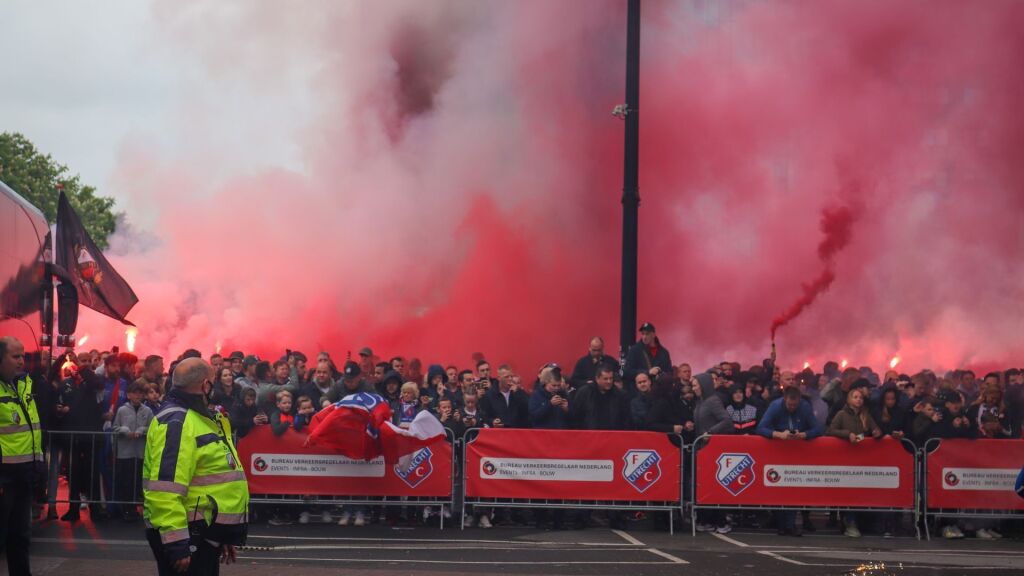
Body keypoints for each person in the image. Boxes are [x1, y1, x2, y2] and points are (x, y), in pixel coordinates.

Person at [143, 357, 248, 575]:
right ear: (205, 385)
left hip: (203, 534)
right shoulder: (178, 422)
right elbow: (166, 489)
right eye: (213, 381)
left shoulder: (198, 417)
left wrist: (223, 535)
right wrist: (177, 542)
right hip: (188, 536)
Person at [0, 337, 44, 576]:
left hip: (24, 474)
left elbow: (32, 428)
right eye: (15, 356)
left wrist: (39, 464)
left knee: (20, 537)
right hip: (4, 477)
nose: (21, 361)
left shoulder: (25, 384)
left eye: (23, 356)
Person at [756, 386, 824, 536]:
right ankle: (781, 524)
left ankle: (790, 524)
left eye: (795, 405)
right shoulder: (775, 406)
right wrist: (778, 434)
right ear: (784, 400)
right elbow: (761, 428)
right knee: (779, 488)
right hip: (779, 452)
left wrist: (805, 434)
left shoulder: (805, 407)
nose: (792, 407)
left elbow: (818, 429)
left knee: (794, 488)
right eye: (789, 405)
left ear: (799, 400)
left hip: (798, 454)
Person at [827, 387, 881, 538]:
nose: (859, 399)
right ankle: (849, 521)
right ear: (849, 400)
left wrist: (877, 433)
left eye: (861, 397)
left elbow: (874, 430)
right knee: (849, 492)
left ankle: (859, 522)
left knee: (860, 492)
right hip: (845, 459)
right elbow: (830, 430)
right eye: (855, 397)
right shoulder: (842, 414)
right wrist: (847, 434)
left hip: (863, 460)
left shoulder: (865, 415)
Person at [113, 381, 153, 521]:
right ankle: (126, 509)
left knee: (139, 481)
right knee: (126, 480)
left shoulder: (147, 411)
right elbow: (115, 427)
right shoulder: (122, 410)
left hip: (140, 452)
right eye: (134, 393)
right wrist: (125, 431)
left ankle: (139, 507)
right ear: (129, 395)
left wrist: (142, 431)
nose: (137, 396)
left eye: (140, 393)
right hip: (125, 452)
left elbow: (153, 428)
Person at [623, 323, 672, 396]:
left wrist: (661, 375)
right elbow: (627, 372)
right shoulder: (634, 350)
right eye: (642, 334)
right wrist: (647, 372)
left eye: (647, 334)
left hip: (658, 394)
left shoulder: (664, 352)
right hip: (639, 394)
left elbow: (669, 372)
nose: (644, 337)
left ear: (653, 334)